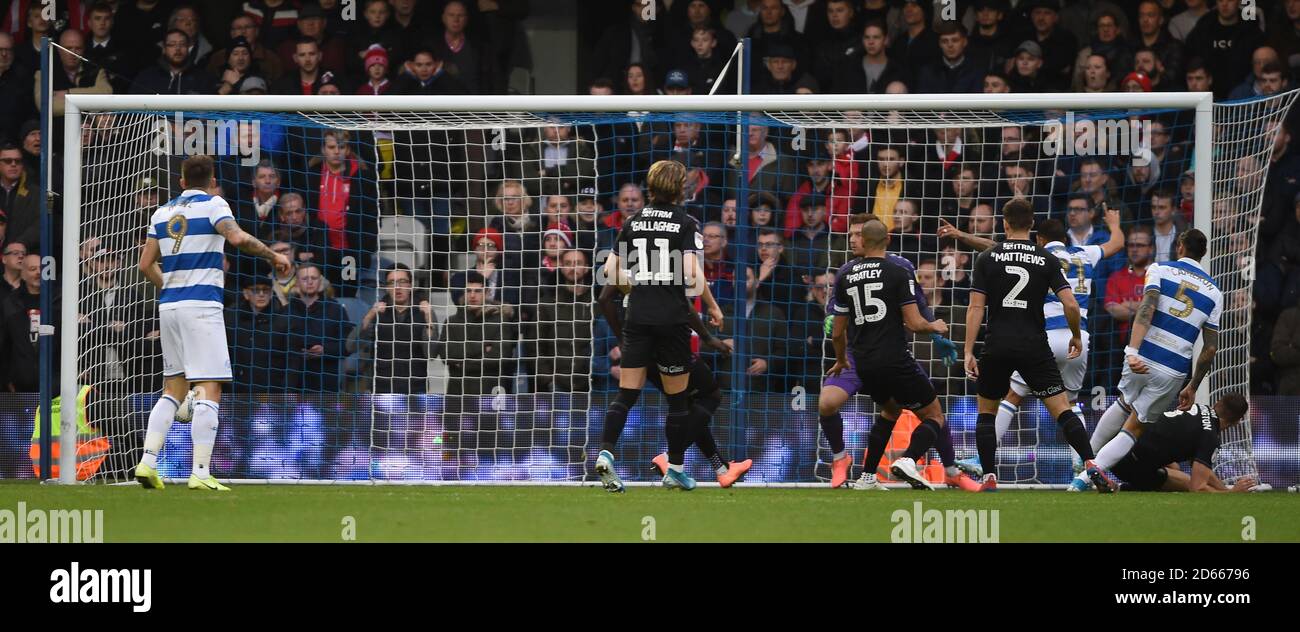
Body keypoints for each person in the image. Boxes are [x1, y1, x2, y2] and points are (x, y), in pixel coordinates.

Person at [133, 155, 293, 492]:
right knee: (209, 386)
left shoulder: (161, 213)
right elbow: (236, 238)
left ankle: (147, 463)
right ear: (212, 180)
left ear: (180, 181)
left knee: (173, 388)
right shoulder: (214, 204)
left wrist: (173, 286)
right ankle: (201, 472)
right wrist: (274, 255)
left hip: (170, 307)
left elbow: (145, 264)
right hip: (201, 307)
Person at [940, 209, 1124, 477]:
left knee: (1011, 396)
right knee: (1068, 404)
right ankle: (1085, 465)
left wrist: (960, 235)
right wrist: (1115, 224)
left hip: (1039, 335)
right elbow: (1116, 244)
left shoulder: (1019, 255)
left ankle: (984, 463)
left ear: (1038, 237)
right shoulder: (1082, 254)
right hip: (1077, 336)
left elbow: (994, 250)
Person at [596, 160, 724, 492]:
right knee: (679, 400)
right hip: (671, 320)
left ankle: (606, 454)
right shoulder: (686, 223)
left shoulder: (633, 221)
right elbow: (693, 275)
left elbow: (609, 271)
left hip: (637, 319)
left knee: (626, 395)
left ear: (650, 187)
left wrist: (639, 286)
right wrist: (711, 305)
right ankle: (676, 469)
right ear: (681, 188)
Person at [1083, 230, 1222, 493]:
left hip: (1144, 355)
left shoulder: (1159, 269)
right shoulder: (1214, 292)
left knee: (1123, 403)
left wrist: (1132, 351)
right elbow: (1211, 349)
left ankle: (1083, 467)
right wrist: (1193, 385)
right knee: (1134, 427)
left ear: (1179, 246)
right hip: (1173, 368)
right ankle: (1087, 475)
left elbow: (1146, 308)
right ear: (1203, 254)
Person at [826, 218, 951, 491]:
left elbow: (837, 333)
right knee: (934, 416)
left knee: (890, 411)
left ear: (863, 241)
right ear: (888, 241)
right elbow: (916, 324)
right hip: (895, 358)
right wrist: (936, 326)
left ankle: (867, 477)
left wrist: (840, 360)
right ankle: (908, 460)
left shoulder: (846, 276)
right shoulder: (898, 271)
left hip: (864, 363)